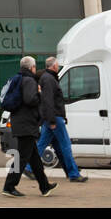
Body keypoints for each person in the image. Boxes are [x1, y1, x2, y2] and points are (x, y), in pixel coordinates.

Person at [1, 56, 56, 198]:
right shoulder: (29, 80)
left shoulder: (18, 78)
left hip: (21, 123)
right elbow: (30, 99)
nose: (35, 69)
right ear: (32, 67)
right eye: (34, 67)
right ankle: (9, 186)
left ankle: (44, 186)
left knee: (35, 159)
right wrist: (39, 94)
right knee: (22, 158)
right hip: (26, 124)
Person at [36, 55, 86, 184]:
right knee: (65, 146)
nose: (58, 66)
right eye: (57, 65)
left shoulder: (48, 78)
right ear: (53, 66)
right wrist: (52, 120)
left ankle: (30, 167)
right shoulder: (49, 79)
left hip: (52, 117)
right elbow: (48, 101)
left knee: (43, 144)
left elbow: (48, 101)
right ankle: (74, 174)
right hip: (54, 118)